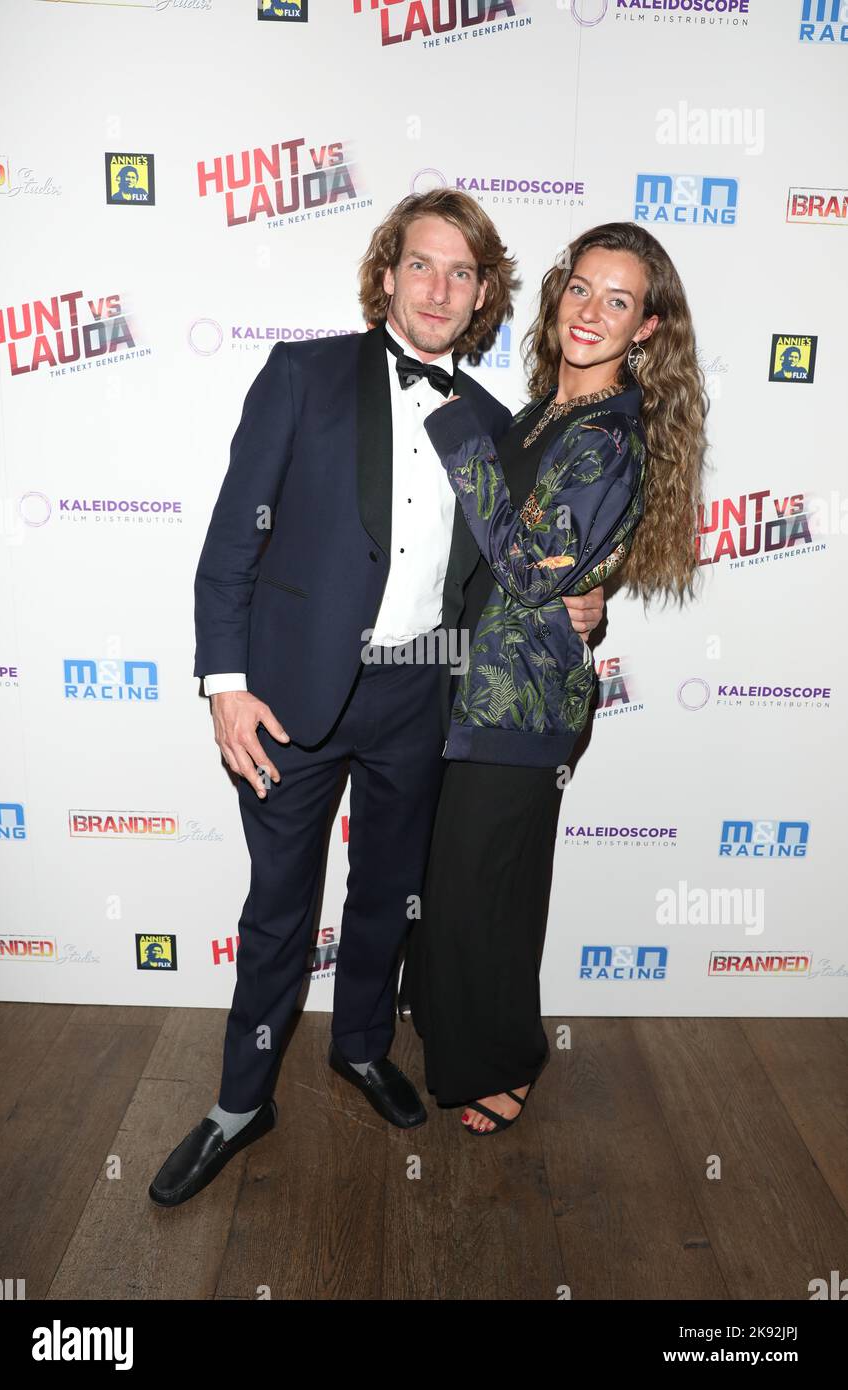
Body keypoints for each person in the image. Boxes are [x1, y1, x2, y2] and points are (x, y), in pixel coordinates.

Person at [148, 190, 604, 1206]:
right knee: (277, 904)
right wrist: (225, 685)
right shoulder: (302, 374)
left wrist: (582, 601)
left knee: (386, 892)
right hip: (288, 695)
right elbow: (231, 545)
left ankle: (358, 1044)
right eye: (420, 265)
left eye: (460, 272)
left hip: (419, 695)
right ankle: (237, 1099)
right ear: (386, 273)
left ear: (481, 292)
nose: (438, 288)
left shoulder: (492, 424)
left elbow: (516, 574)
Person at [402, 222, 706, 1134]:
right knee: (460, 887)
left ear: (647, 328)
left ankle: (507, 1060)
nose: (593, 312)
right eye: (582, 288)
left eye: (620, 300)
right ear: (558, 294)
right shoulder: (541, 413)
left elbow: (532, 566)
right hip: (468, 686)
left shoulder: (608, 434)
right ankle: (471, 1042)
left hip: (523, 703)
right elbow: (528, 567)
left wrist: (450, 414)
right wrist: (591, 594)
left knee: (488, 893)